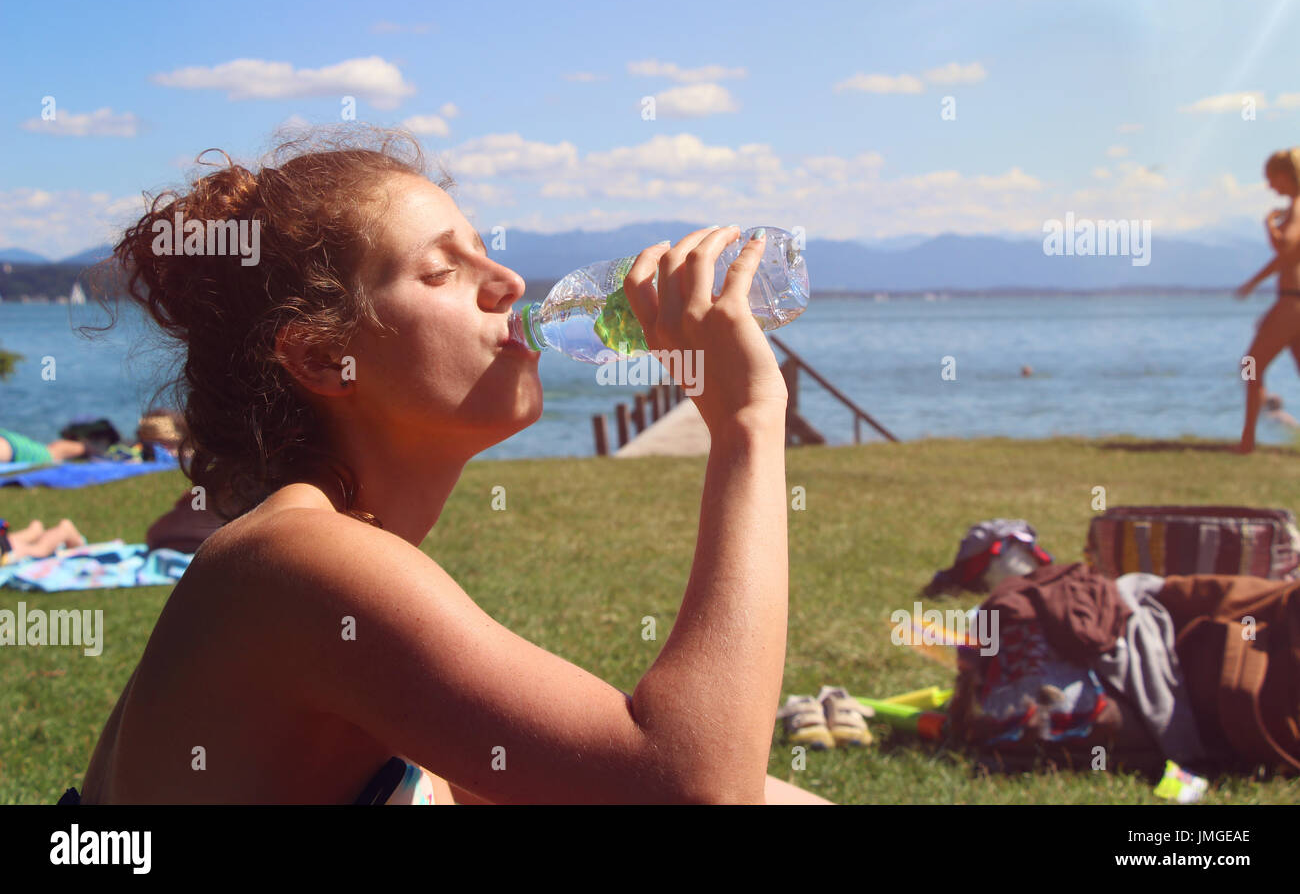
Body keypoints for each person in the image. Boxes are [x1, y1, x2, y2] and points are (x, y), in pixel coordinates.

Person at [72, 125, 825, 804]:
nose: (510, 286)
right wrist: (748, 426)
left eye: (485, 253)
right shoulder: (296, 560)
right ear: (323, 356)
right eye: (440, 273)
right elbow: (697, 791)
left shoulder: (314, 557)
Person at [1234, 148, 1300, 454]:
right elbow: (1287, 257)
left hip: (1292, 302)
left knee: (1251, 365)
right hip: (1290, 302)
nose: (1270, 186)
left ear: (1287, 175)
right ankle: (1248, 439)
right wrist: (1254, 283)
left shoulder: (1297, 208)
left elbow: (1285, 247)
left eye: (1272, 178)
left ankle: (1247, 440)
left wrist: (1269, 224)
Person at [0, 518, 87, 566]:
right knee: (21, 538)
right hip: (6, 545)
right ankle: (35, 531)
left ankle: (65, 531)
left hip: (8, 550)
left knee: (40, 549)